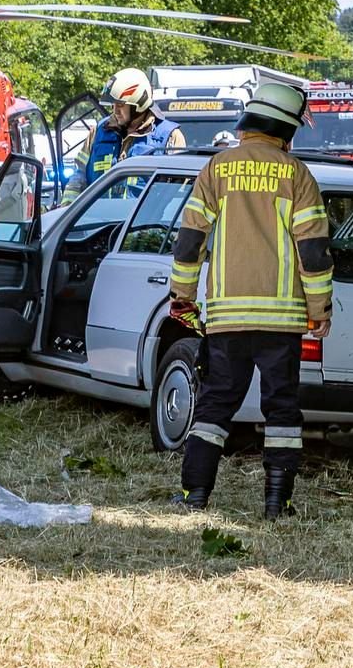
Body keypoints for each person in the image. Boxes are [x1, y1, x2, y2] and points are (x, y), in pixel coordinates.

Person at [170, 81, 332, 518]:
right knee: (281, 409)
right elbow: (313, 252)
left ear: (249, 123)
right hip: (281, 322)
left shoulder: (216, 170)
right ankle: (277, 502)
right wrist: (320, 310)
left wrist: (182, 296)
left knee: (215, 404)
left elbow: (189, 243)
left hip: (226, 318)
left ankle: (195, 495)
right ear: (286, 131)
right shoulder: (297, 175)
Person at [66, 68, 162, 199]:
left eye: (121, 105)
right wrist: (67, 209)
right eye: (113, 104)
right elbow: (79, 176)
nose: (115, 110)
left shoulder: (168, 137)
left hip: (144, 220)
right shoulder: (99, 131)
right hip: (97, 219)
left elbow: (176, 191)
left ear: (138, 104)